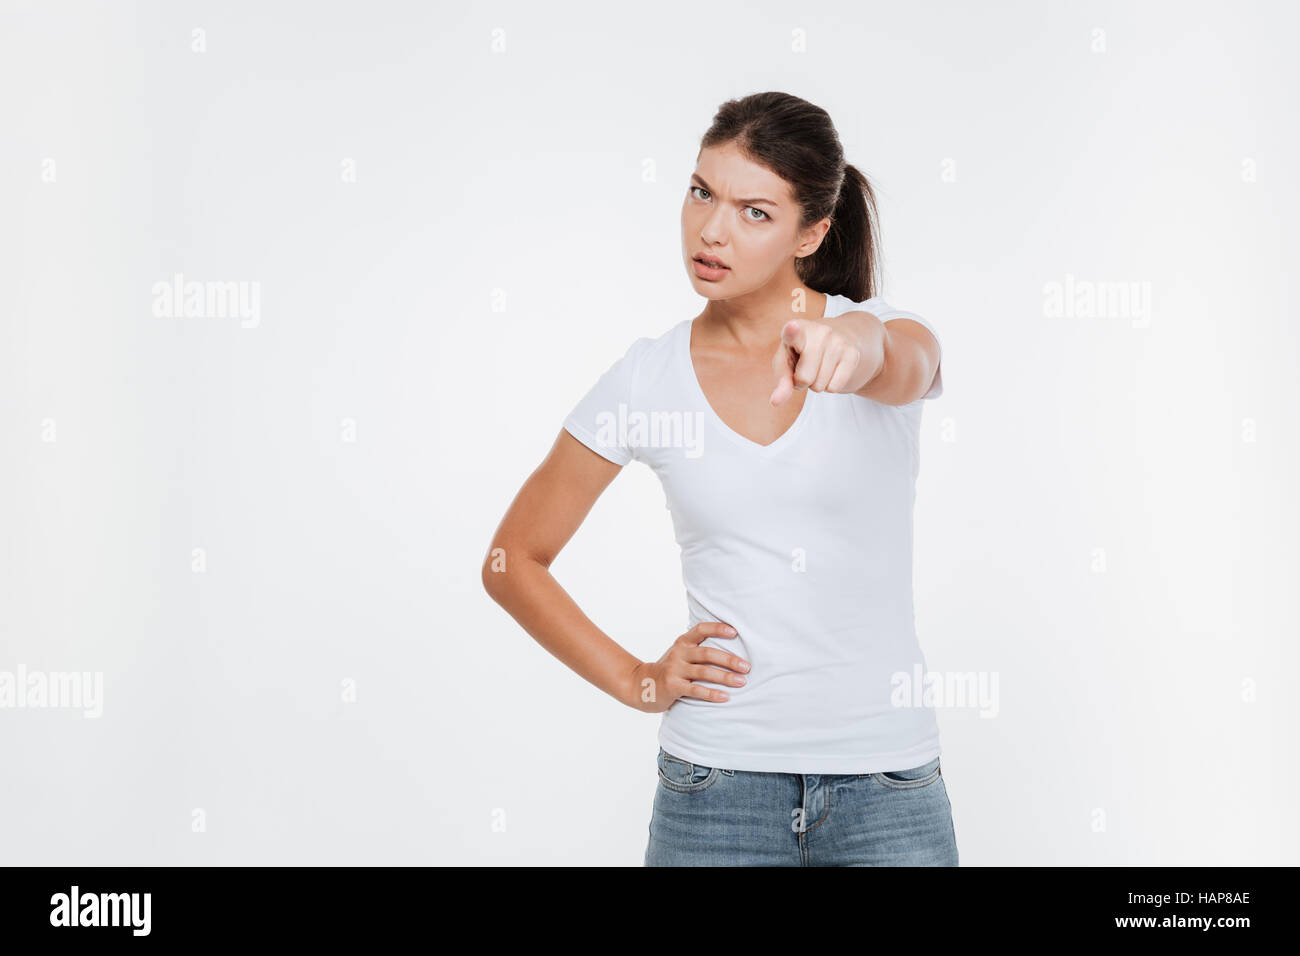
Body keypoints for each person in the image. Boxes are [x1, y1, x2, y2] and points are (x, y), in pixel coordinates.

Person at [482, 91, 957, 866]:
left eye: (755, 212)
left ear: (813, 230)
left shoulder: (876, 335)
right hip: (716, 794)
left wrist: (859, 341)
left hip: (888, 791)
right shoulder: (646, 378)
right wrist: (640, 679)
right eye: (702, 191)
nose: (712, 229)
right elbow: (512, 562)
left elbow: (907, 361)